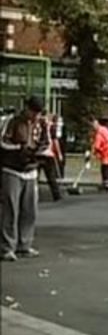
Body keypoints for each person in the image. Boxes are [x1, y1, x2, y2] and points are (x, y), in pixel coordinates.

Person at [1, 96, 51, 261]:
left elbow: (46, 142)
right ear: (27, 108)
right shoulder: (13, 121)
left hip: (31, 170)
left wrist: (39, 151)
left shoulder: (41, 124)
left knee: (30, 210)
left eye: (39, 113)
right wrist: (19, 148)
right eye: (33, 112)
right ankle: (7, 247)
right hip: (12, 169)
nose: (36, 116)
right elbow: (3, 142)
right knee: (10, 209)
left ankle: (25, 244)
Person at [36, 112, 64, 201]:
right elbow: (55, 141)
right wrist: (59, 153)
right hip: (47, 153)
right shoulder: (50, 127)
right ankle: (57, 195)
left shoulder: (35, 125)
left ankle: (34, 195)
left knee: (35, 177)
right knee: (51, 176)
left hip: (37, 153)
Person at [91, 116, 108, 193]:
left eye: (94, 125)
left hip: (107, 151)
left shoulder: (99, 133)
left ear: (97, 124)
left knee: (105, 167)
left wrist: (93, 153)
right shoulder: (104, 129)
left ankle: (106, 184)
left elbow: (97, 145)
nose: (93, 127)